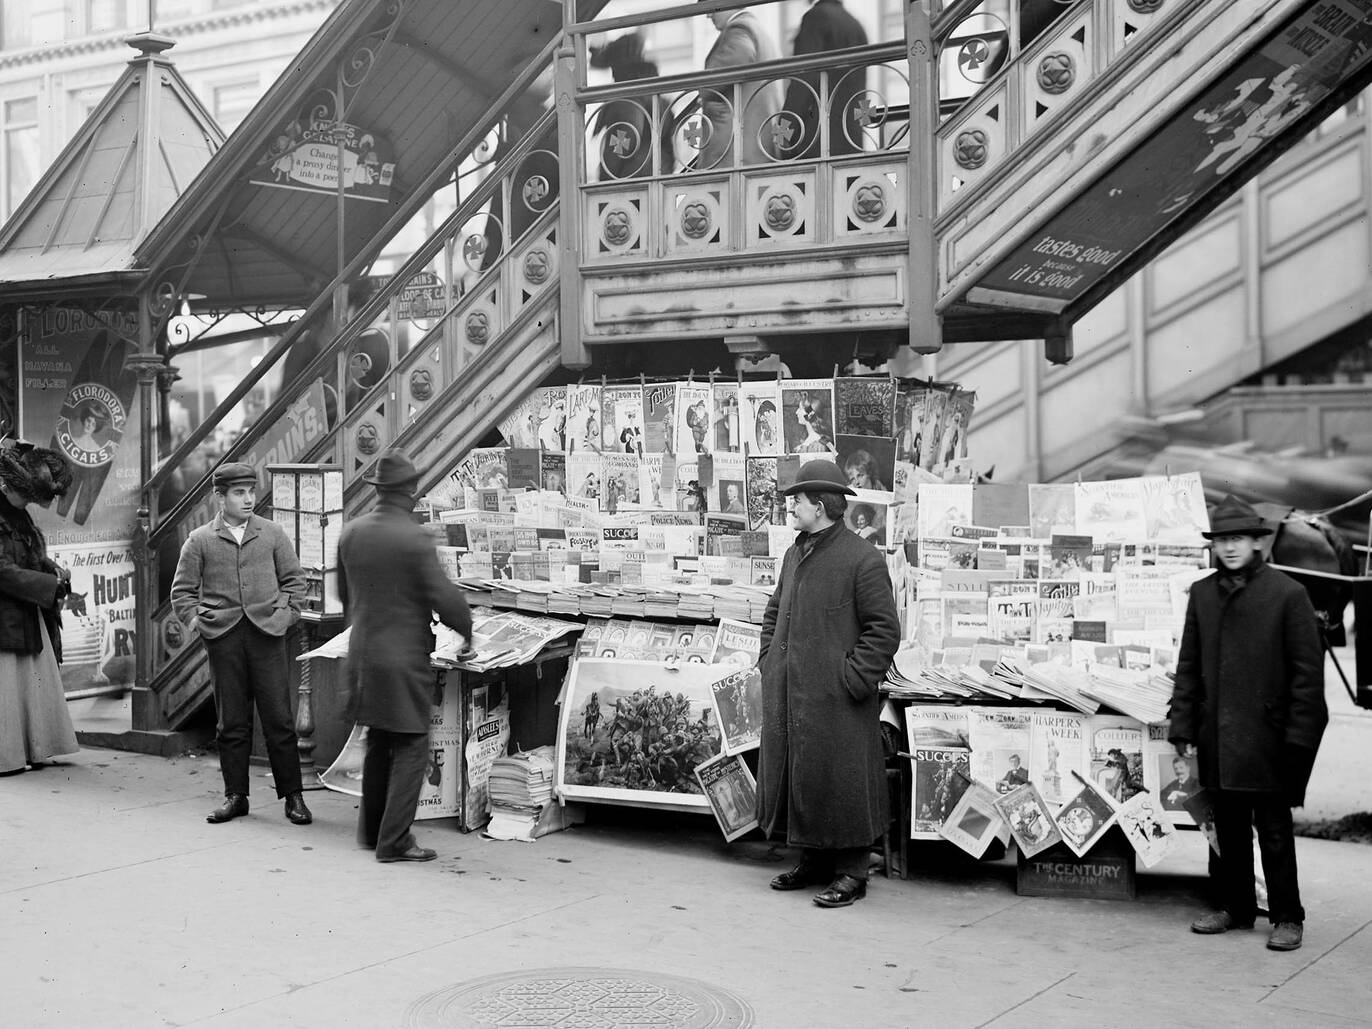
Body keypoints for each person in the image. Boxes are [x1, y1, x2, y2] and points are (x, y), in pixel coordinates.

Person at [1168, 494, 1327, 952]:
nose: (1230, 548)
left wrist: (1296, 740)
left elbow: (1306, 679)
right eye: (1222, 540)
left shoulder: (1288, 595)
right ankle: (1234, 907)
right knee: (1228, 830)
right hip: (1218, 734)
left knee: (1274, 832)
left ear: (1258, 542)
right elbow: (1189, 664)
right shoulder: (1202, 594)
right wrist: (1183, 727)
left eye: (1238, 539)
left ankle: (1287, 917)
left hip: (1270, 740)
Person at [757, 459, 900, 908]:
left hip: (837, 699)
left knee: (841, 782)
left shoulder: (863, 559)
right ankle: (814, 861)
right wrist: (768, 660)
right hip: (791, 691)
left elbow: (884, 632)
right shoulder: (794, 552)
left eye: (796, 500)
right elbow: (774, 611)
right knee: (804, 776)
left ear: (819, 505)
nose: (791, 506)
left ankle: (853, 874)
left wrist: (850, 679)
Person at [339, 450, 474, 863]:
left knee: (379, 739)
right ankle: (394, 841)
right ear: (410, 492)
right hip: (402, 658)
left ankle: (371, 832)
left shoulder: (351, 532)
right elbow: (443, 595)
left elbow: (345, 597)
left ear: (379, 490)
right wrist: (466, 631)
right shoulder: (414, 538)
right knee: (413, 746)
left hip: (362, 653)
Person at [171, 462, 311, 825]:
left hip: (267, 636)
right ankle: (236, 796)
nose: (248, 499)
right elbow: (182, 592)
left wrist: (283, 617)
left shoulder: (272, 534)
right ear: (220, 497)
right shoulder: (200, 539)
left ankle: (293, 797)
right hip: (224, 639)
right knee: (230, 722)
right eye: (239, 493)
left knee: (279, 718)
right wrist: (199, 623)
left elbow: (296, 583)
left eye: (251, 492)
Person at [0, 444, 79, 775]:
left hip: (25, 610)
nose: (30, 503)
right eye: (27, 497)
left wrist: (50, 568)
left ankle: (30, 749)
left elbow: (27, 554)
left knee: (27, 684)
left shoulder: (18, 513)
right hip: (5, 615)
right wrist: (48, 586)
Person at [698, 0, 785, 169]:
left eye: (709, 8)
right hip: (757, 148)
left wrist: (703, 89)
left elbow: (736, 60)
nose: (708, 15)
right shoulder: (756, 29)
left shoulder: (740, 29)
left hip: (736, 153)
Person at [781, 0, 869, 159]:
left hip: (818, 140)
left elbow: (802, 80)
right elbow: (862, 88)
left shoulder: (815, 18)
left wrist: (781, 132)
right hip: (852, 140)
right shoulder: (856, 25)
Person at [589, 33, 662, 180]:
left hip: (626, 184)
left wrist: (605, 181)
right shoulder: (651, 95)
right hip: (648, 178)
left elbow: (623, 141)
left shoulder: (626, 101)